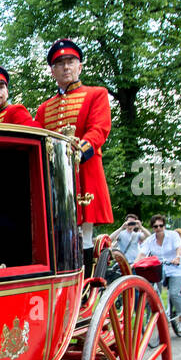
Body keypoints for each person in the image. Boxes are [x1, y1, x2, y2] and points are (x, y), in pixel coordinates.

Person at [34, 39, 113, 276]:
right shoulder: (44, 108)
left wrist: (77, 153)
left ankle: (86, 286)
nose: (66, 67)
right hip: (54, 179)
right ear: (52, 71)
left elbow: (98, 130)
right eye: (59, 63)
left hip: (84, 173)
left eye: (70, 62)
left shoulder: (96, 94)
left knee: (83, 233)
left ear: (79, 66)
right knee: (56, 235)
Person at [139, 215, 181, 322]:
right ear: (153, 228)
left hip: (176, 267)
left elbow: (179, 247)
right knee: (152, 291)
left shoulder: (173, 235)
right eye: (156, 227)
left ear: (164, 226)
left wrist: (177, 257)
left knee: (174, 293)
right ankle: (161, 316)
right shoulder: (150, 240)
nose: (159, 228)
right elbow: (142, 253)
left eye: (161, 225)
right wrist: (135, 264)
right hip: (160, 269)